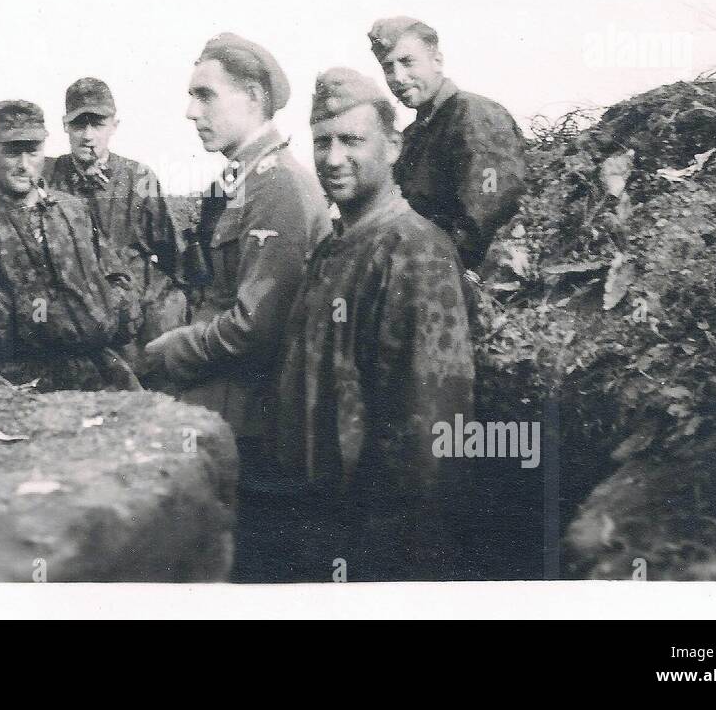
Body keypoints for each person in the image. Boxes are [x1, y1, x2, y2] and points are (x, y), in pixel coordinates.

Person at [273, 68, 476, 580]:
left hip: (377, 544)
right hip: (317, 526)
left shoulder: (416, 251)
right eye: (323, 143)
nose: (333, 158)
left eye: (352, 141)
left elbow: (432, 435)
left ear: (392, 147)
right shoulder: (332, 248)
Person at [144, 33, 329, 462]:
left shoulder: (277, 185)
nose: (191, 112)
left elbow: (256, 327)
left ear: (251, 97)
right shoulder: (238, 182)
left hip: (252, 415)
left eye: (205, 96)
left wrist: (175, 351)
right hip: (222, 399)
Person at [0, 100, 142, 391]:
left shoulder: (73, 210)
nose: (23, 165)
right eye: (12, 151)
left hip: (97, 368)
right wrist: (38, 314)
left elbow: (117, 277)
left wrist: (106, 311)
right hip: (14, 377)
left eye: (32, 150)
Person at [44, 77, 186, 363]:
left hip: (136, 319)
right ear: (64, 126)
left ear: (114, 126)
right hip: (75, 319)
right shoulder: (47, 178)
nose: (88, 135)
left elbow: (172, 254)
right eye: (79, 124)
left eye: (97, 124)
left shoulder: (139, 179)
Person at [368, 16, 526, 272]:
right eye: (388, 68)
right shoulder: (413, 135)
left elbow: (487, 212)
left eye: (407, 62)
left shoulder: (475, 115)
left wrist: (427, 272)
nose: (398, 77)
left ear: (437, 61)